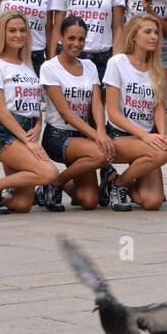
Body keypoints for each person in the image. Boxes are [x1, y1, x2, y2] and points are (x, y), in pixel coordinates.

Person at [0, 11, 58, 214]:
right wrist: (26, 140)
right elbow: (1, 111)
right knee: (49, 173)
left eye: (22, 30)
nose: (18, 35)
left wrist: (38, 126)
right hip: (5, 133)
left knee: (22, 205)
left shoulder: (27, 65)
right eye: (12, 30)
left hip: (28, 130)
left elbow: (35, 104)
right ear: (2, 33)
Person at [39, 14, 115, 211]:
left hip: (82, 136)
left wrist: (101, 130)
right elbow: (65, 113)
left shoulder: (89, 66)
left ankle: (50, 188)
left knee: (89, 201)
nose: (76, 43)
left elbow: (97, 104)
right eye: (71, 38)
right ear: (61, 38)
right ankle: (55, 182)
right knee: (102, 154)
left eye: (81, 39)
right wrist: (97, 136)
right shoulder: (50, 67)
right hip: (57, 135)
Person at [101, 13, 167, 211]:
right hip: (119, 137)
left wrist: (162, 135)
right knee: (162, 153)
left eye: (156, 33)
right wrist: (146, 137)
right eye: (147, 32)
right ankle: (119, 184)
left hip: (145, 140)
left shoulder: (156, 67)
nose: (154, 37)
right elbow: (114, 113)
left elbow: (159, 106)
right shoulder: (117, 63)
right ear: (133, 36)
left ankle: (115, 181)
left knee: (152, 202)